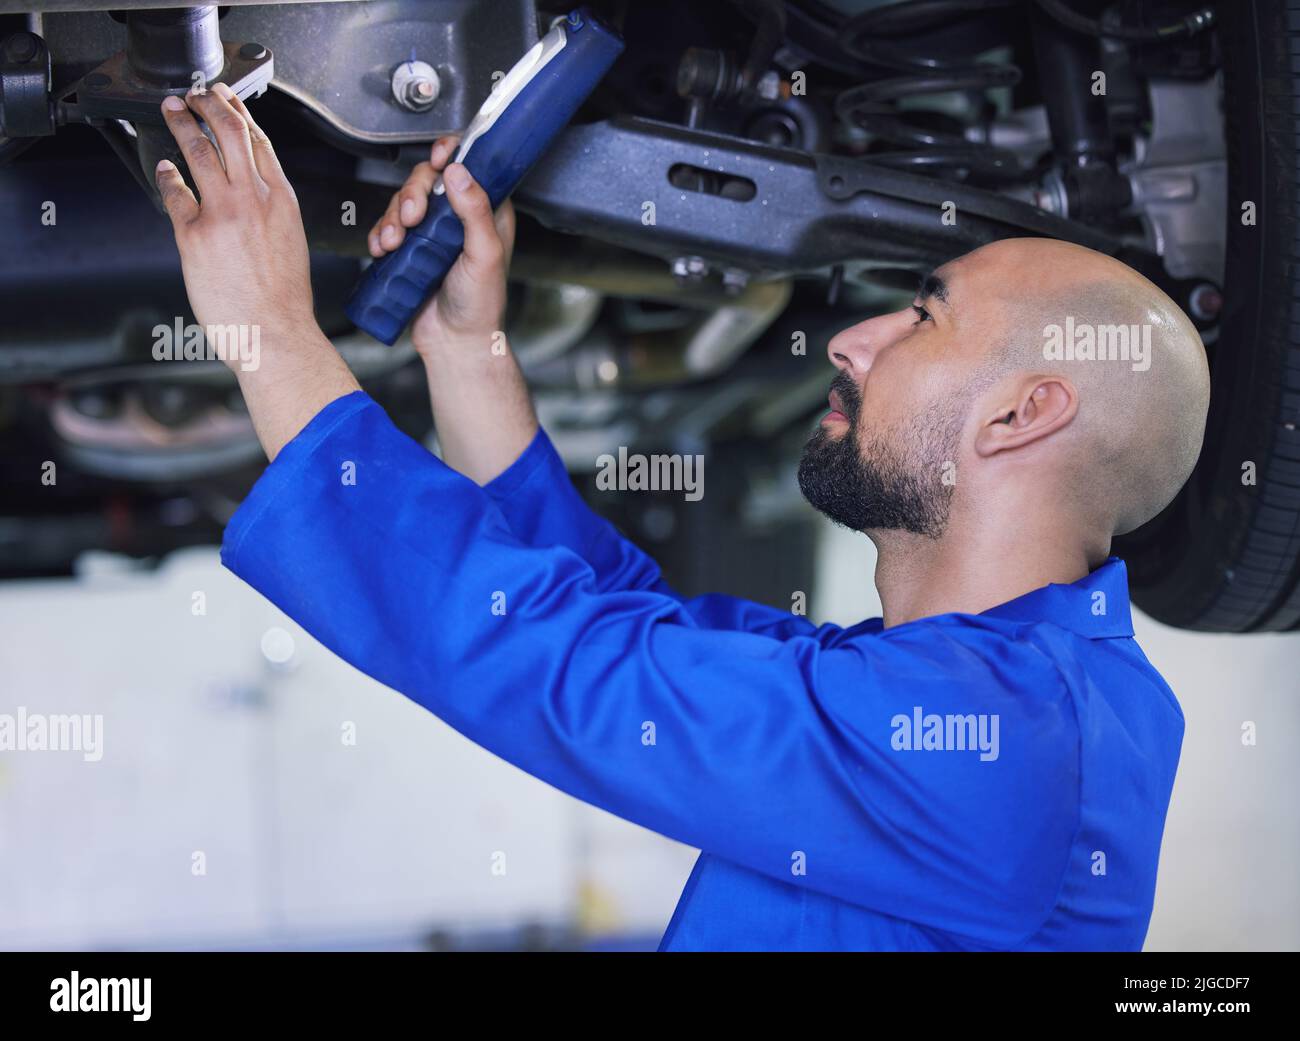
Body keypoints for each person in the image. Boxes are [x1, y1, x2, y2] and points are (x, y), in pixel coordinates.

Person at [154, 83, 1210, 951]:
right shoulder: (999, 691)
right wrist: (463, 346)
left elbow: (571, 671)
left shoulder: (1002, 740)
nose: (852, 342)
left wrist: (268, 333)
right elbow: (618, 622)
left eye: (923, 317)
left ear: (1024, 414)